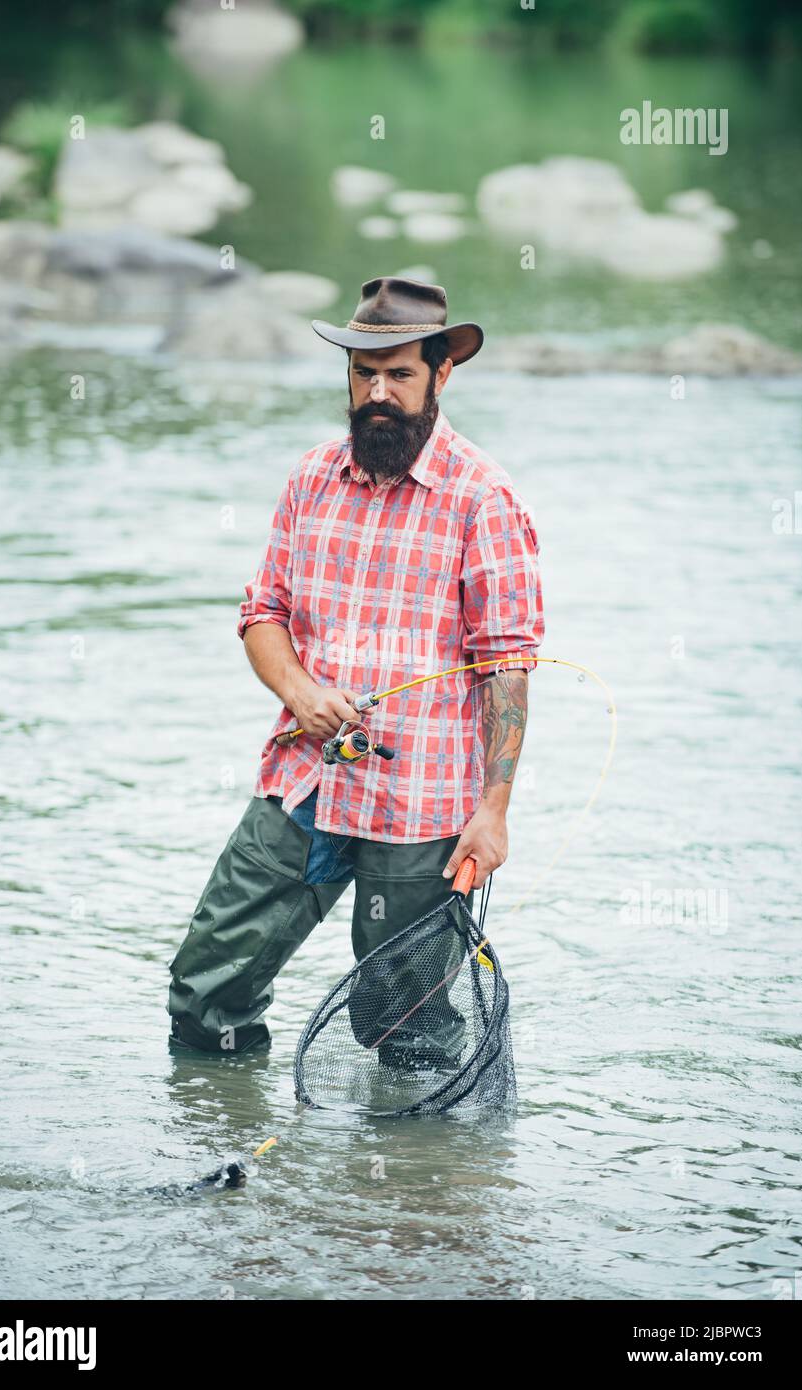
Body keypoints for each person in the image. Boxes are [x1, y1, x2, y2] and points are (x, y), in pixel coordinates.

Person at [167, 276, 544, 1055]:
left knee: (403, 1032)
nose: (378, 392)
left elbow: (506, 665)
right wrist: (298, 690)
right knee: (206, 992)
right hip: (306, 778)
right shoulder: (310, 478)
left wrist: (494, 810)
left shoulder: (485, 499)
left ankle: (409, 1177)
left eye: (400, 374)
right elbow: (261, 612)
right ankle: (219, 1138)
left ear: (441, 375)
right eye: (362, 373)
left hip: (423, 809)